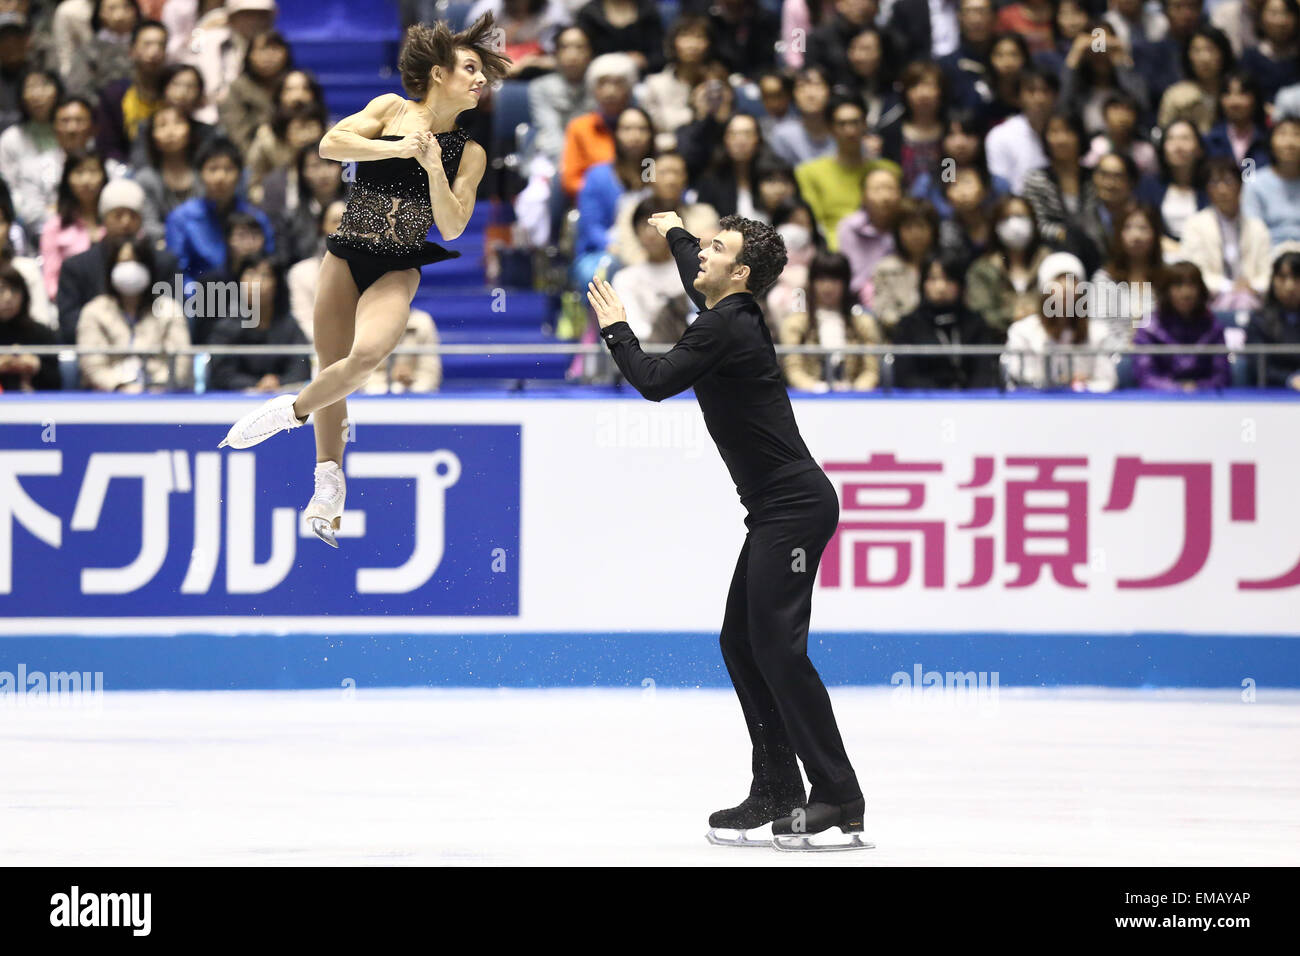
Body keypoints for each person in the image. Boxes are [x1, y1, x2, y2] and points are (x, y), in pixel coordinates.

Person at [586, 209, 865, 847]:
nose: (701, 257)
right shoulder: (728, 311)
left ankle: (838, 794)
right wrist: (680, 232)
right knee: (741, 642)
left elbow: (654, 382)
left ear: (739, 272)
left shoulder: (722, 327)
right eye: (705, 247)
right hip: (779, 509)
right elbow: (697, 277)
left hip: (793, 508)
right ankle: (776, 788)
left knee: (777, 650)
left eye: (716, 248)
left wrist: (617, 329)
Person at [216, 15, 509, 550]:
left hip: (398, 264)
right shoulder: (389, 109)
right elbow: (331, 144)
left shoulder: (470, 152)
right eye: (470, 68)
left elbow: (452, 224)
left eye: (482, 72)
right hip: (347, 255)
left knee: (366, 358)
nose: (480, 79)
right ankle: (328, 487)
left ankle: (289, 412)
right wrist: (397, 148)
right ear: (439, 72)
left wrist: (432, 167)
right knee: (333, 371)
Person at [76, 233, 191, 391]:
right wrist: (120, 387)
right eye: (123, 262)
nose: (130, 268)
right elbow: (93, 366)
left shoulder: (169, 309)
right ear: (112, 267)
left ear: (148, 267)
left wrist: (157, 387)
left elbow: (180, 361)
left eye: (136, 261)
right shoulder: (94, 311)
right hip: (109, 399)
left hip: (160, 397)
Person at [1002, 251, 1118, 391]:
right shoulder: (1022, 331)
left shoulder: (1098, 332)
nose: (1065, 288)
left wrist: (1082, 385)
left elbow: (1107, 382)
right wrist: (1057, 384)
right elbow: (1018, 379)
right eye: (1058, 280)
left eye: (1072, 280)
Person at [891, 251, 1001, 388]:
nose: (941, 287)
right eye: (933, 279)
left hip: (972, 402)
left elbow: (984, 372)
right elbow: (905, 376)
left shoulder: (976, 323)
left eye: (948, 279)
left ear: (960, 285)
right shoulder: (908, 326)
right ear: (922, 284)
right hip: (924, 402)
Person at [779, 249, 883, 390]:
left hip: (855, 398)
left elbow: (871, 371)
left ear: (846, 283)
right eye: (821, 279)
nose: (827, 287)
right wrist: (816, 388)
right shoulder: (795, 323)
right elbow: (793, 369)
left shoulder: (863, 322)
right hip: (808, 399)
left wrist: (854, 390)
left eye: (834, 280)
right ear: (812, 282)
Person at [205, 253, 310, 392]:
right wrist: (257, 384)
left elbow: (301, 369)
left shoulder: (289, 326)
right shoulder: (226, 328)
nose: (256, 283)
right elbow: (221, 375)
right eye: (250, 274)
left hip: (282, 399)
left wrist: (277, 382)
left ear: (276, 284)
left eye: (265, 276)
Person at [1132, 260, 1231, 391]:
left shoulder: (1213, 326)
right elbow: (1145, 376)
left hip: (1205, 399)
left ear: (1201, 290)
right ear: (1166, 291)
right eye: (1178, 285)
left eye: (1192, 285)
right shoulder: (1149, 328)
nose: (1186, 293)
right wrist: (1177, 389)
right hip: (1160, 400)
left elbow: (1222, 376)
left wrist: (1196, 388)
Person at [0, 263, 60, 391]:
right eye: (1, 290)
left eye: (15, 290)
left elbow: (57, 383)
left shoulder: (41, 333)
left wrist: (36, 365)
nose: (8, 297)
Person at [1244, 250, 1300, 388]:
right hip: (1272, 395)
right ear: (1273, 280)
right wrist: (1289, 379)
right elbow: (1259, 366)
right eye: (1282, 277)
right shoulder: (1258, 320)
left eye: (1296, 277)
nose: (1289, 286)